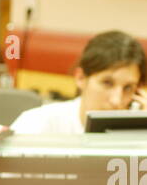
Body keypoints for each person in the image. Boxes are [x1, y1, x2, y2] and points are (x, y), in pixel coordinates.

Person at [9, 31, 147, 134]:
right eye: (107, 83)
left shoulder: (136, 134)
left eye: (128, 88)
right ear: (81, 78)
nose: (117, 101)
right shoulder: (38, 123)